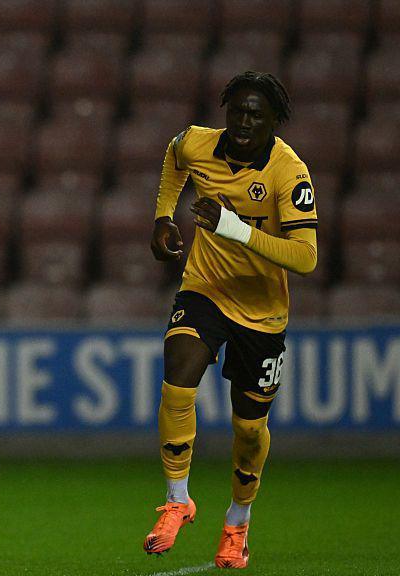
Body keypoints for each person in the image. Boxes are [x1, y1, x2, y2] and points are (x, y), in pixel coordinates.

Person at [144, 71, 317, 569]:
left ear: (274, 122)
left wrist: (236, 229)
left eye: (256, 114)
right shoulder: (199, 143)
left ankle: (237, 521)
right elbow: (175, 154)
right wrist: (162, 216)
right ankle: (177, 500)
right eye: (237, 111)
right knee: (178, 372)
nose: (244, 121)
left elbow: (306, 258)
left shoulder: (289, 173)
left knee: (248, 429)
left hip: (263, 312)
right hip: (206, 289)